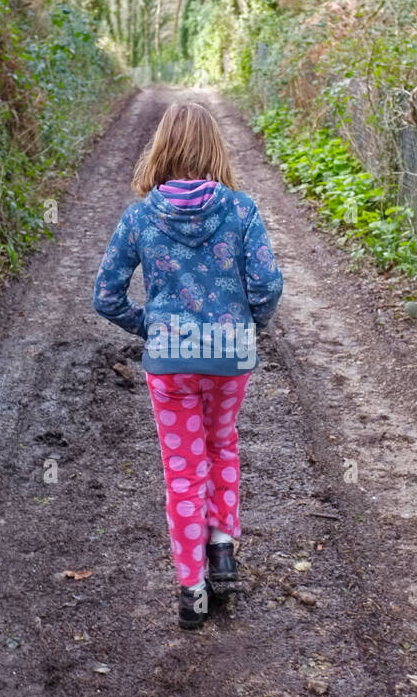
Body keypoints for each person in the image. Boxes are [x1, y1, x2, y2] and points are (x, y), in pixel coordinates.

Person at [93, 101, 283, 630]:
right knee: (223, 444)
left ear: (162, 150)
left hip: (170, 361)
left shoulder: (139, 217)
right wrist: (250, 326)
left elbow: (105, 296)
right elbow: (268, 284)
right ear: (213, 150)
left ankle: (192, 591)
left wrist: (149, 327)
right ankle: (222, 549)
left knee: (182, 470)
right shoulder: (241, 210)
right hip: (230, 355)